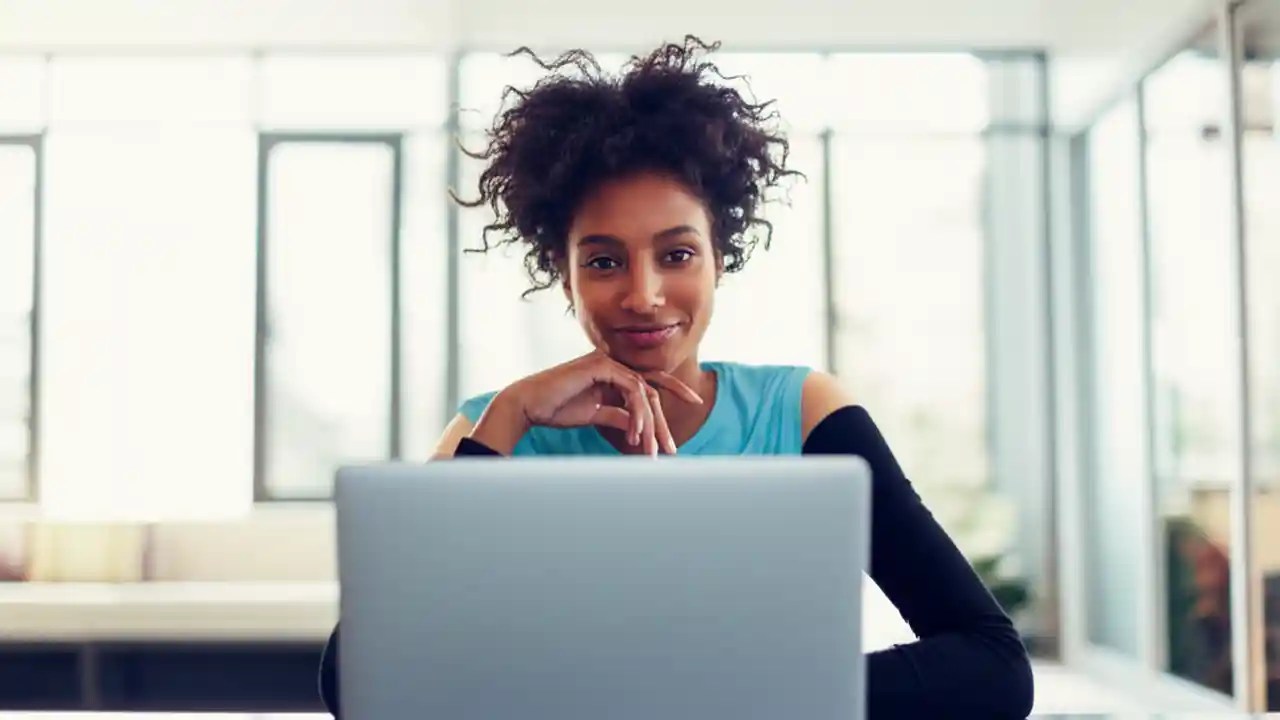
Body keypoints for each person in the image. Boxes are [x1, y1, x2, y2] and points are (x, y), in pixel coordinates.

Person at [320, 36, 1034, 719]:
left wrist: (726, 701)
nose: (644, 295)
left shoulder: (803, 411)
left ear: (719, 260)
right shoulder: (490, 431)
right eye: (602, 261)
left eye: (678, 255)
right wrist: (508, 416)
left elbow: (993, 668)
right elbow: (357, 682)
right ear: (563, 280)